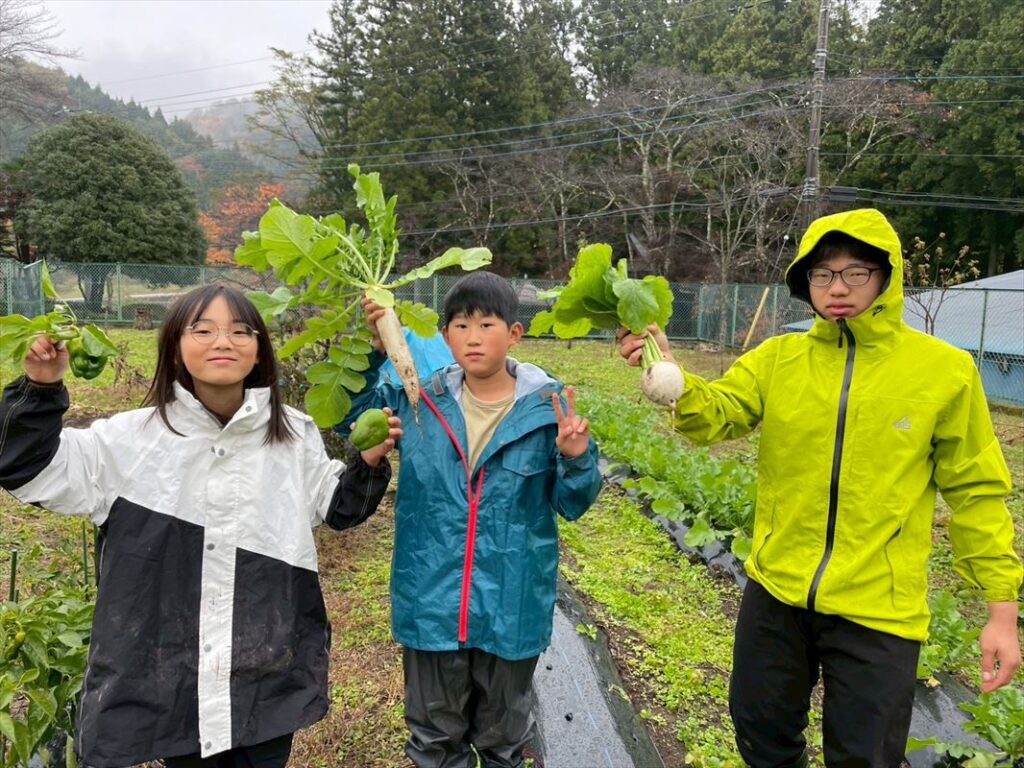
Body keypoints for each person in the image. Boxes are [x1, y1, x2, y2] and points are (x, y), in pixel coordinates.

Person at [618, 208, 1022, 768]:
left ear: (887, 276)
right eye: (821, 274)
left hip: (879, 607)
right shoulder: (778, 359)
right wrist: (675, 383)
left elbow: (976, 492)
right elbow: (720, 414)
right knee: (759, 727)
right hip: (778, 587)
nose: (836, 288)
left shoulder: (944, 372)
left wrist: (1001, 611)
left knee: (866, 755)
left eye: (855, 272)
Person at [0, 285, 402, 768]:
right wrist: (41, 387)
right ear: (175, 345)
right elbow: (29, 469)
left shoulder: (293, 434)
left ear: (258, 351)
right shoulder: (127, 439)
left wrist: (368, 465)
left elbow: (335, 507)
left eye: (240, 330)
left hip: (265, 669)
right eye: (203, 329)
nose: (223, 342)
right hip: (170, 672)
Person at [344, 271, 602, 768]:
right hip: (431, 601)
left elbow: (573, 503)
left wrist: (575, 457)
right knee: (434, 740)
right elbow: (350, 418)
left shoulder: (544, 409)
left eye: (487, 324)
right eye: (460, 326)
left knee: (504, 741)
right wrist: (376, 350)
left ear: (515, 334)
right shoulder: (418, 400)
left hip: (512, 604)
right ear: (444, 337)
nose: (473, 337)